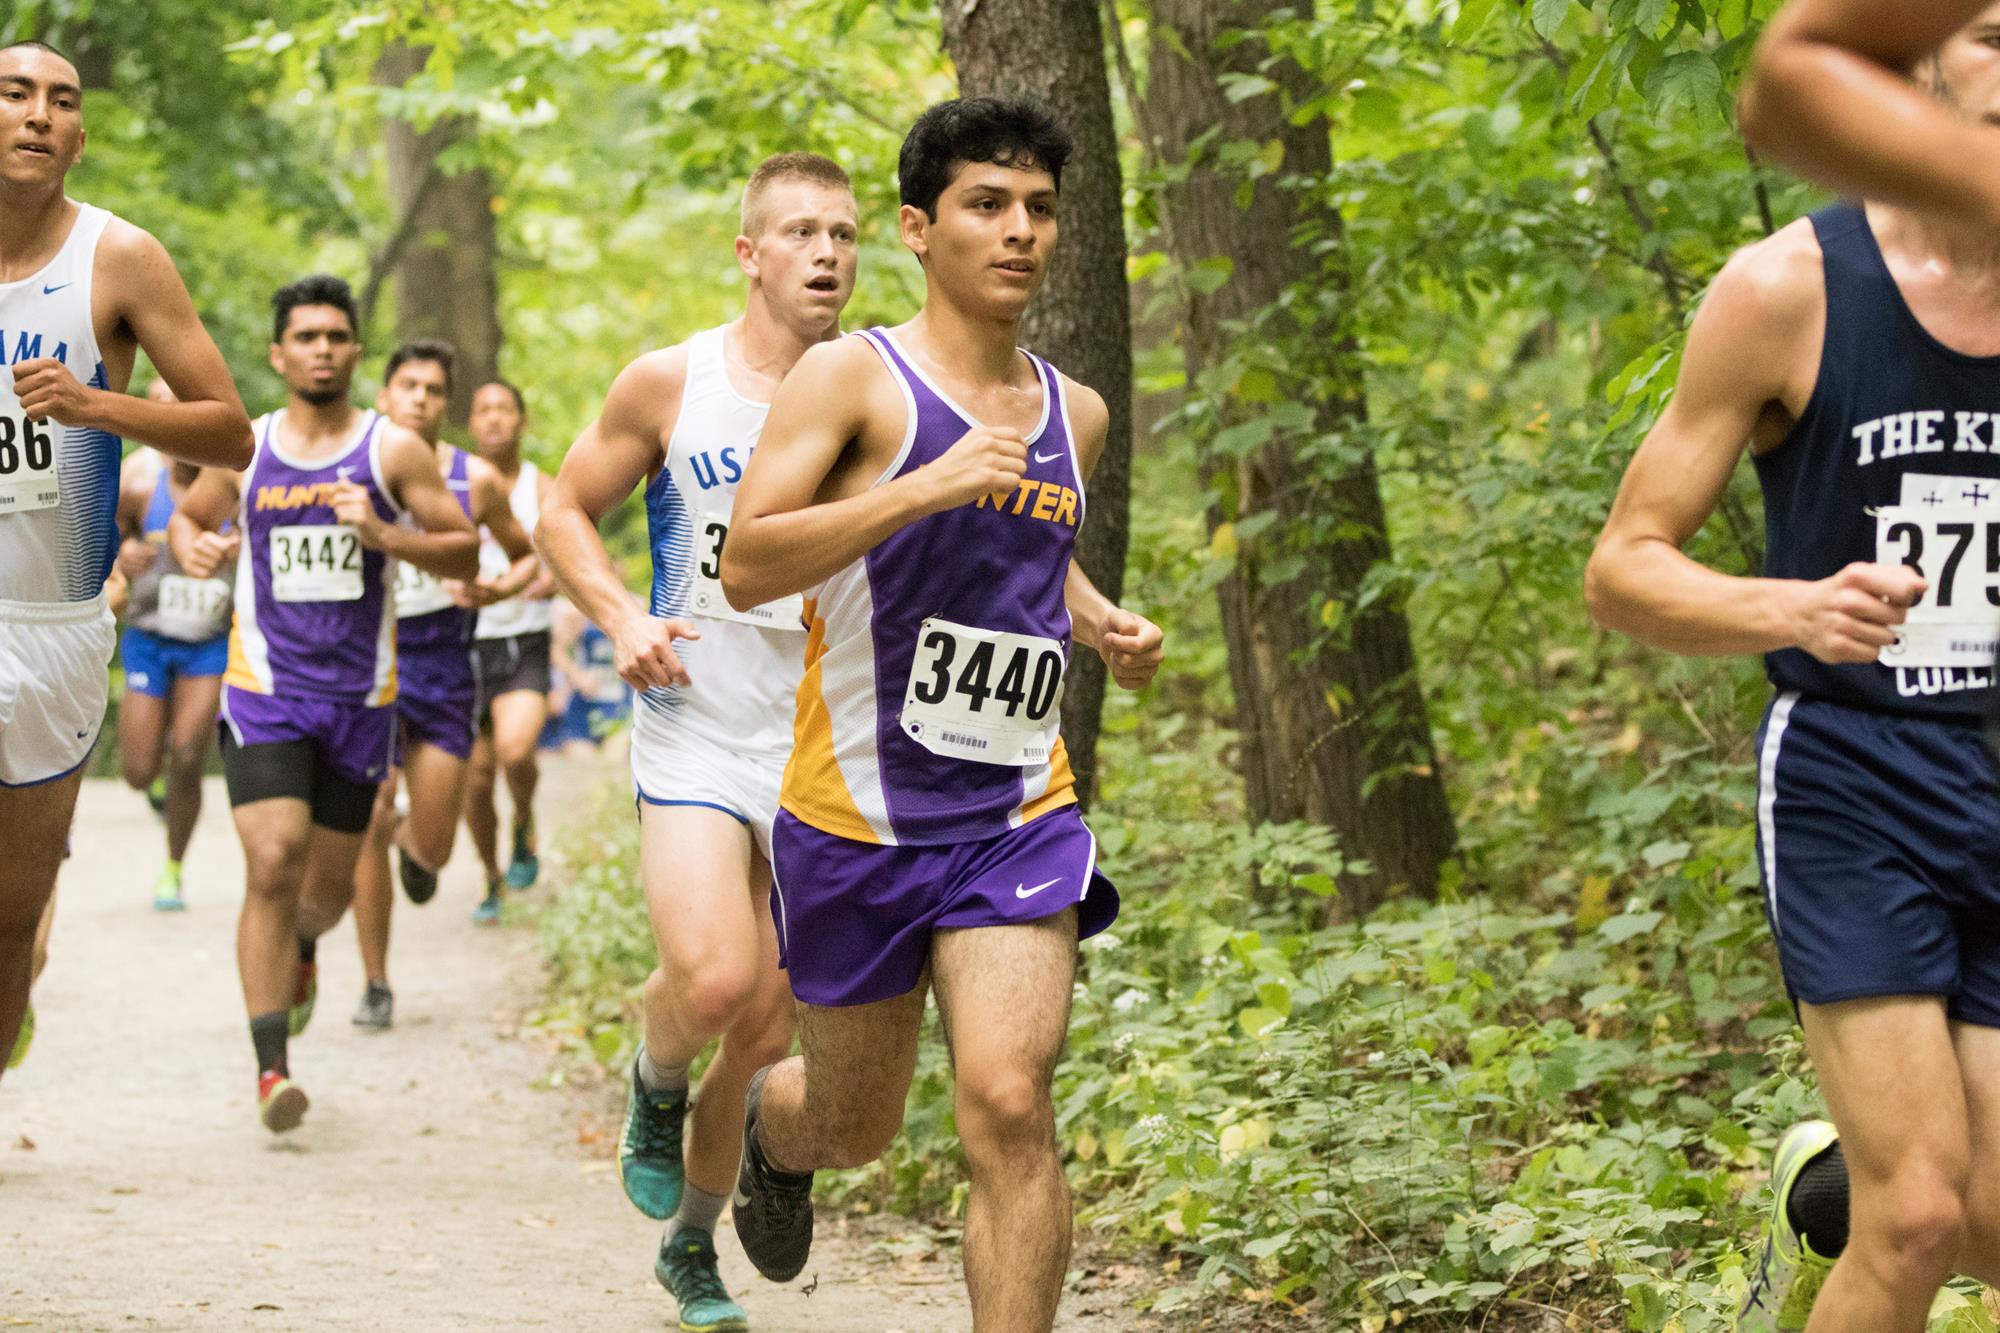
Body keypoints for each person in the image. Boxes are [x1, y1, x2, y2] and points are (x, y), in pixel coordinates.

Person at [718, 102, 1165, 1331]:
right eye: (986, 205)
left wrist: (1100, 622)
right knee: (850, 1123)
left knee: (1010, 1102)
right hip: (855, 818)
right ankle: (774, 1126)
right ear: (918, 229)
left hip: (1014, 811)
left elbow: (1026, 559)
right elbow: (748, 563)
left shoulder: (1074, 412)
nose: (1019, 231)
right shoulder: (851, 377)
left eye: (1038, 209)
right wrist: (923, 486)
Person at [1586, 16, 2000, 1330]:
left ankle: (1817, 1202)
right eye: (1993, 36)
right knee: (1918, 1212)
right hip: (1853, 770)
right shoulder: (1788, 288)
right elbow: (1623, 568)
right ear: (1918, 58)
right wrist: (1794, 607)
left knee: (1985, 1218)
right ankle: (1859, 1205)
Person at [536, 150, 859, 1333]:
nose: (827, 253)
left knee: (768, 1029)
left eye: (845, 234)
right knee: (717, 978)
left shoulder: (881, 393)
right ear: (748, 253)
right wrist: (621, 615)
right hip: (695, 723)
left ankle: (689, 1245)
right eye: (802, 231)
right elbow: (560, 508)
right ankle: (655, 1071)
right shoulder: (673, 382)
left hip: (819, 740)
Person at [0, 40, 255, 1086]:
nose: (38, 114)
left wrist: (95, 403)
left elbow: (231, 432)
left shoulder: (120, 257)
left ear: (79, 138)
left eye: (61, 102)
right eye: (15, 93)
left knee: (13, 920)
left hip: (53, 629)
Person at [170, 274, 478, 1132]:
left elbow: (463, 551)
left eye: (337, 336)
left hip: (361, 701)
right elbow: (187, 520)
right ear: (279, 354)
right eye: (306, 336)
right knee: (273, 859)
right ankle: (272, 1069)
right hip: (265, 692)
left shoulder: (394, 451)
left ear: (355, 351)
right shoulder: (248, 447)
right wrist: (195, 548)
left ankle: (304, 944)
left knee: (326, 896)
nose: (322, 350)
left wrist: (383, 534)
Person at [348, 340, 534, 1024]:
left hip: (444, 664)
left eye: (433, 389)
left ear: (445, 404)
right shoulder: (351, 468)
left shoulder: (475, 479)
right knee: (371, 814)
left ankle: (413, 845)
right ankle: (375, 982)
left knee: (434, 848)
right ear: (384, 397)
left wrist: (496, 591)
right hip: (368, 659)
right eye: (408, 385)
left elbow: (524, 556)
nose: (420, 398)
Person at [113, 379, 237, 911]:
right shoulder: (139, 482)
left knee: (188, 754)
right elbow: (108, 537)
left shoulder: (235, 480)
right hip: (150, 636)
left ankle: (173, 869)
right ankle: (157, 776)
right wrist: (123, 553)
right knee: (140, 772)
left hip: (208, 642)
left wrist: (239, 548)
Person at [462, 379, 556, 910]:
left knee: (515, 752)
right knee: (475, 780)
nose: (495, 418)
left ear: (522, 421)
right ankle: (491, 875)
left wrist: (549, 580)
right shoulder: (455, 481)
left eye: (505, 409)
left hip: (524, 638)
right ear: (471, 423)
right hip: (465, 642)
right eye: (484, 410)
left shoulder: (543, 488)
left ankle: (523, 818)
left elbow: (571, 557)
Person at [551, 596, 631, 756]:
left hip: (620, 703)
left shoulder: (635, 606)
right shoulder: (577, 611)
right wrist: (577, 676)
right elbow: (557, 650)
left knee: (615, 757)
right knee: (582, 759)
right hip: (585, 703)